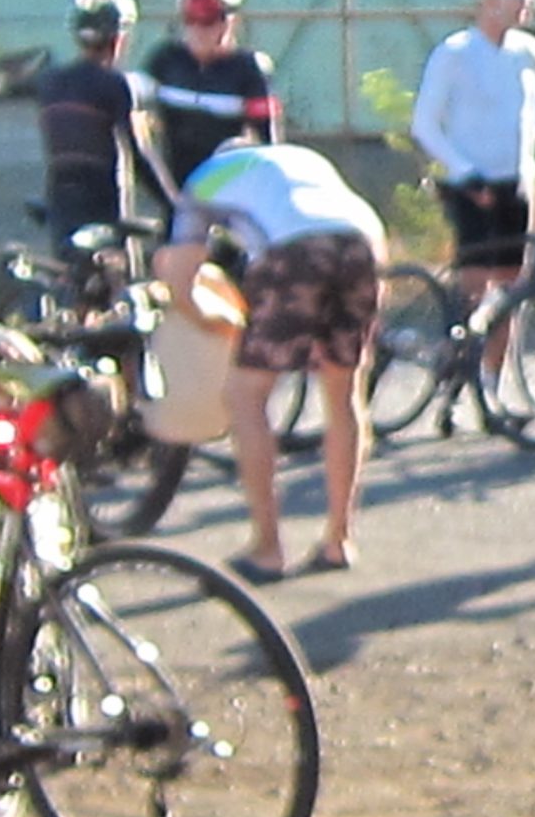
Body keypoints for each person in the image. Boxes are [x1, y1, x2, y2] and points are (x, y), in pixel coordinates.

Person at [156, 140, 385, 581]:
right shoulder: (304, 157)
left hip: (292, 251)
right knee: (343, 393)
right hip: (362, 243)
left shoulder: (204, 179)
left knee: (246, 396)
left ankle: (268, 547)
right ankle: (339, 540)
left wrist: (213, 322)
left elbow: (181, 280)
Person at [409, 0, 535, 394]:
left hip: (515, 185)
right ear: (491, 0)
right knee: (475, 286)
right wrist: (464, 170)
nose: (526, 3)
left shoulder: (530, 53)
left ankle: (492, 386)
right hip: (472, 188)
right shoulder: (455, 53)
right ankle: (455, 376)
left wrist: (526, 152)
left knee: (512, 290)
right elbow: (424, 124)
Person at [37, 0, 160, 250]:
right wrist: (172, 203)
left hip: (58, 195)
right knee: (110, 274)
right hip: (100, 196)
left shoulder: (50, 80)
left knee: (69, 271)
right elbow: (138, 152)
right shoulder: (115, 83)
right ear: (120, 37)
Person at [142, 0, 279, 191]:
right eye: (190, 19)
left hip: (228, 185)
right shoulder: (165, 60)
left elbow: (267, 141)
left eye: (208, 20)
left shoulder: (249, 68)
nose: (198, 30)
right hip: (176, 187)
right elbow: (137, 122)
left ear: (230, 22)